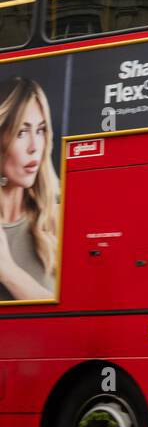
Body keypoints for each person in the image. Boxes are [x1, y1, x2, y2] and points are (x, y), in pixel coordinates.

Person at [0, 77, 59, 302]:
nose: (35, 147)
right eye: (21, 133)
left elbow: (72, 318)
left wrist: (8, 271)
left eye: (41, 130)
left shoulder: (56, 220)